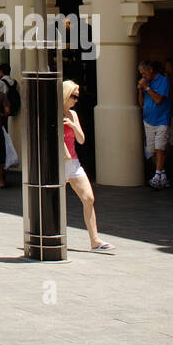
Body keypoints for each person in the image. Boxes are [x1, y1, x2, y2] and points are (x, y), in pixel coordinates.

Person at [63, 80, 114, 252]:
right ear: (65, 95)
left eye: (77, 97)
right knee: (52, 201)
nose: (76, 100)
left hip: (74, 163)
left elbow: (81, 139)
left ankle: (95, 240)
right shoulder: (53, 113)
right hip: (58, 164)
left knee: (89, 198)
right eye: (74, 96)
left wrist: (73, 125)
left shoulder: (73, 114)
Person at [138, 60, 172, 188]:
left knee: (160, 147)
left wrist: (147, 87)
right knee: (151, 150)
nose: (143, 76)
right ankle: (162, 175)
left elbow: (158, 99)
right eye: (141, 74)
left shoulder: (163, 81)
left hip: (162, 119)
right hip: (148, 120)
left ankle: (157, 175)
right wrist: (141, 90)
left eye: (144, 73)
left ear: (151, 69)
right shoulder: (146, 83)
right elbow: (141, 103)